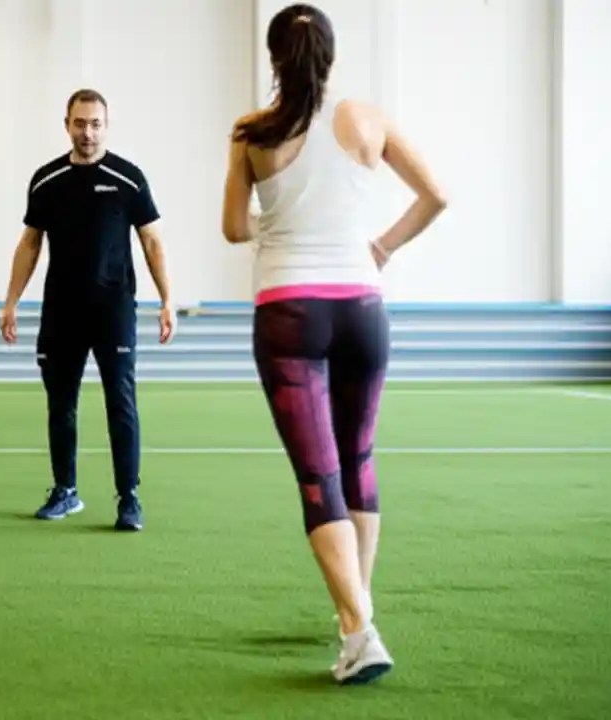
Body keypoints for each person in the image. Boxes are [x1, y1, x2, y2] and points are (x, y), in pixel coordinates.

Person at [221, 4, 447, 685]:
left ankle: (358, 630)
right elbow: (436, 195)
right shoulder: (366, 117)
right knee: (358, 461)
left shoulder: (252, 132)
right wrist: (379, 245)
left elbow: (234, 228)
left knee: (320, 478)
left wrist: (278, 218)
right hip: (361, 309)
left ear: (273, 61)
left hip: (290, 310)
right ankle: (357, 612)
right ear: (332, 57)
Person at [0, 88, 176, 532]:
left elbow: (152, 241)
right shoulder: (47, 180)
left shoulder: (128, 179)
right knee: (61, 405)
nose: (88, 132)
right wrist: (11, 300)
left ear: (106, 126)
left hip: (113, 310)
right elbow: (30, 243)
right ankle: (65, 490)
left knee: (121, 403)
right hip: (61, 312)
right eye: (80, 123)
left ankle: (129, 499)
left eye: (95, 123)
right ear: (67, 125)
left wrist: (167, 299)